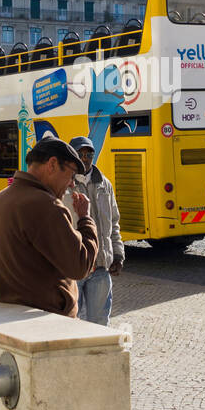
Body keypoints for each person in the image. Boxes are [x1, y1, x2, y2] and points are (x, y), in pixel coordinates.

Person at [0, 136, 97, 317]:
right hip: (46, 319)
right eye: (71, 174)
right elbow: (80, 266)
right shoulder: (46, 205)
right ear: (52, 164)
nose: (72, 184)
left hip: (12, 312)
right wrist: (85, 219)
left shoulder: (1, 198)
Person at [68, 135, 124, 326]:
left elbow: (113, 223)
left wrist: (118, 254)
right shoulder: (65, 185)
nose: (85, 158)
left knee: (100, 323)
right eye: (80, 154)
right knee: (71, 322)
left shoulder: (104, 185)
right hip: (74, 267)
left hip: (101, 267)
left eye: (89, 154)